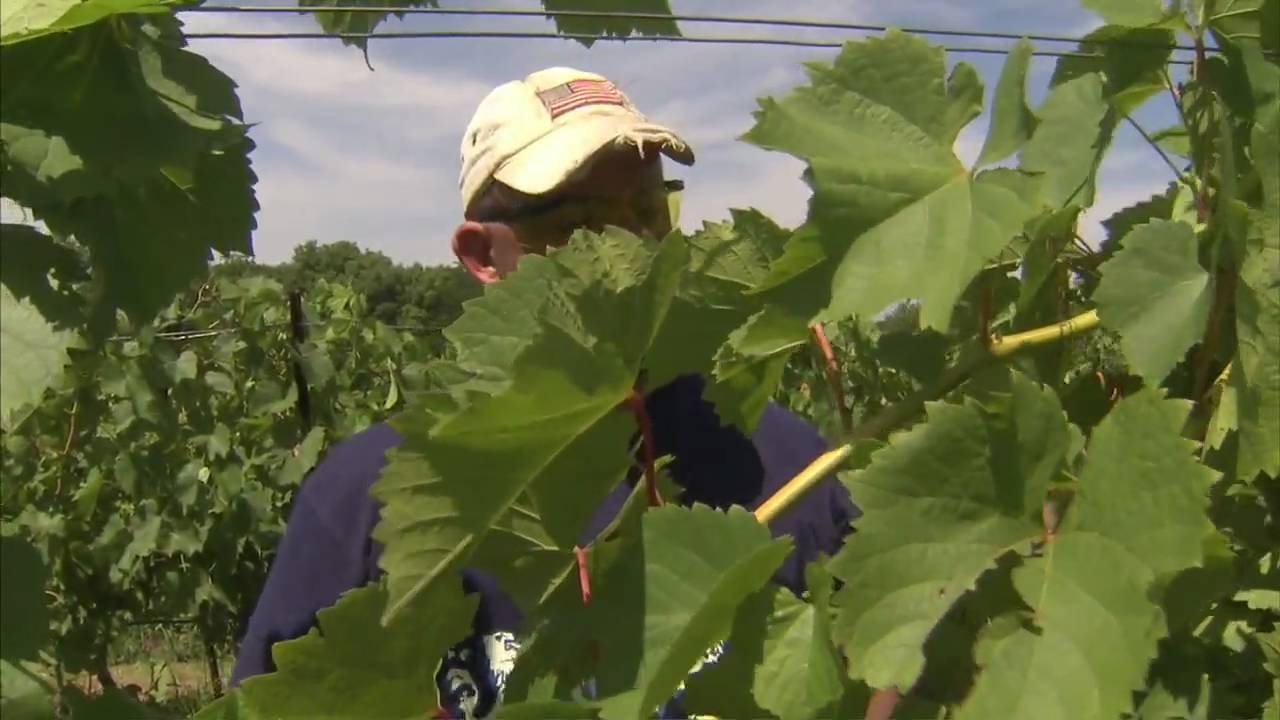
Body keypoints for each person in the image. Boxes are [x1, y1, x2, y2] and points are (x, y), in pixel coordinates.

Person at [230, 67, 859, 719]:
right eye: (581, 224)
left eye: (650, 212)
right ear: (482, 256)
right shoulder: (372, 497)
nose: (631, 250)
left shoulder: (791, 469)